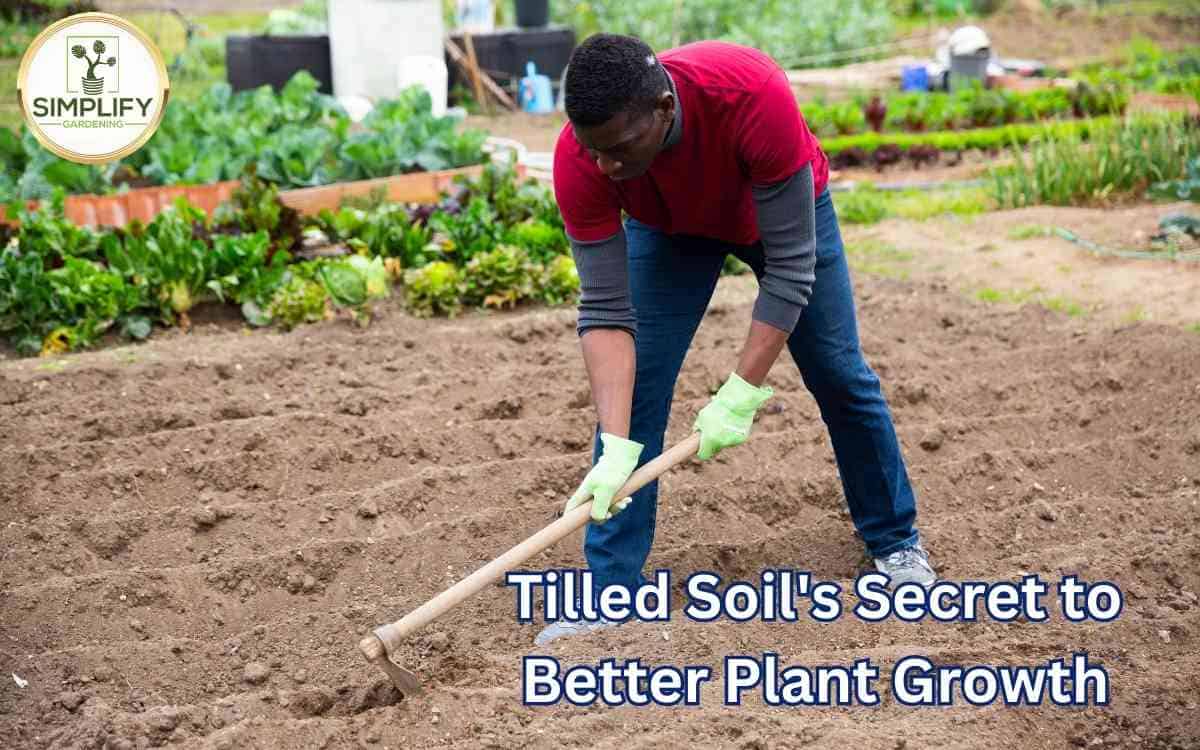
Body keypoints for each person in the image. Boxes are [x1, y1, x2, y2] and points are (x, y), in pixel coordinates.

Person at [537, 34, 936, 646]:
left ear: (664, 109)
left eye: (618, 149)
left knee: (837, 373)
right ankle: (610, 590)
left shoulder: (750, 94)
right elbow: (606, 310)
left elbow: (792, 271)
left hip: (776, 215)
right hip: (669, 229)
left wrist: (741, 390)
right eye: (594, 151)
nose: (605, 167)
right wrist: (616, 443)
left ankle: (896, 543)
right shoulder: (583, 156)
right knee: (636, 393)